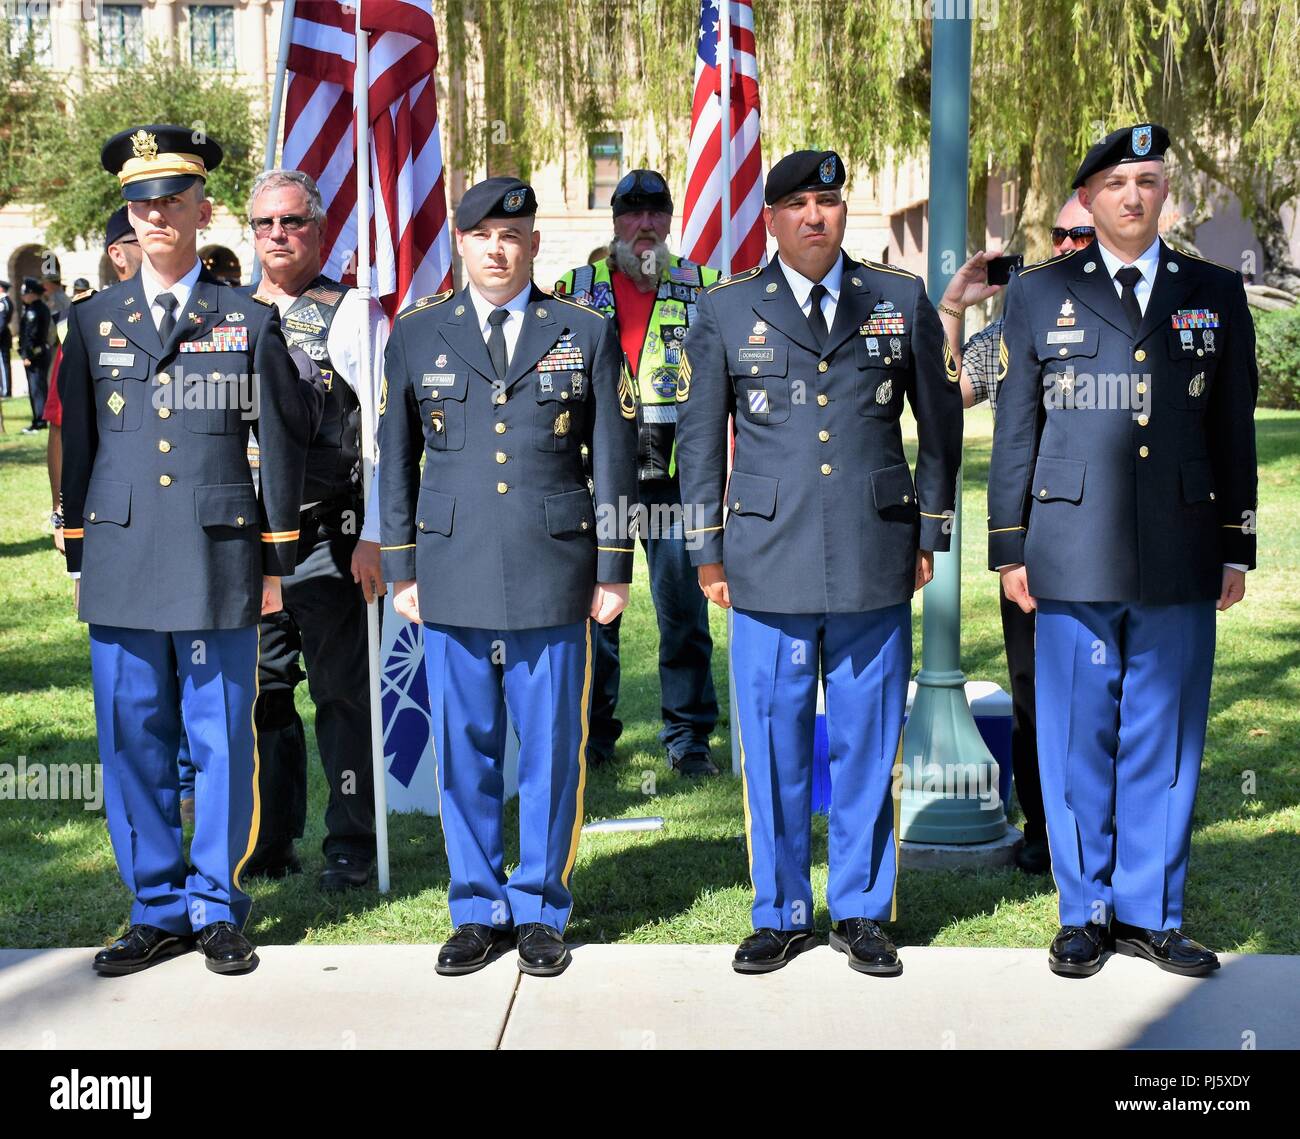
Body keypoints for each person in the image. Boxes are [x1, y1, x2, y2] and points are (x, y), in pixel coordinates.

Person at [675, 150, 963, 975]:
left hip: (877, 551)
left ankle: (865, 910)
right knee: (772, 742)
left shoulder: (895, 298)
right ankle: (781, 909)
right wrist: (707, 551)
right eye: (798, 203)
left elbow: (939, 429)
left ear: (844, 213)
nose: (814, 216)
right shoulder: (728, 310)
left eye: (828, 202)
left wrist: (929, 532)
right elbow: (700, 443)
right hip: (764, 557)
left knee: (868, 742)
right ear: (770, 218)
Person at [987, 123, 1257, 978]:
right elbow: (1016, 429)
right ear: (1089, 200)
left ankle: (1152, 912)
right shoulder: (1037, 293)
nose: (1133, 196)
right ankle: (1085, 910)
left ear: (1164, 190)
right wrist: (1009, 548)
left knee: (1163, 734)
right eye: (1116, 183)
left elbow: (1233, 426)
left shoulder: (1213, 289)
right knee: (1078, 733)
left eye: (1148, 179)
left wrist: (1236, 544)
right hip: (1070, 546)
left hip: (1181, 545)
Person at [59, 124, 310, 976]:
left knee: (218, 736)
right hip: (125, 556)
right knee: (131, 735)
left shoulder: (245, 320)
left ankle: (217, 903)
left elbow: (279, 443)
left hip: (217, 557)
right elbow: (82, 444)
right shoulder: (91, 323)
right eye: (141, 203)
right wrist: (77, 549)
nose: (156, 215)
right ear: (127, 217)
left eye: (172, 200)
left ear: (204, 211)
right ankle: (155, 907)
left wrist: (277, 562)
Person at [379, 176, 638, 977]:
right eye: (483, 234)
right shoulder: (419, 334)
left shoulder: (582, 330)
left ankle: (541, 905)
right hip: (451, 566)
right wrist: (400, 567)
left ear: (534, 245)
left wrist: (614, 567)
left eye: (512, 234)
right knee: (465, 746)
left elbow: (615, 461)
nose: (497, 247)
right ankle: (475, 905)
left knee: (554, 747)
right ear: (461, 243)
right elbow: (396, 458)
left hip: (554, 566)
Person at [934, 192, 1096, 877]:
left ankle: (1103, 825)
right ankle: (1043, 826)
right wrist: (953, 309)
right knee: (1033, 691)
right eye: (1057, 234)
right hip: (1030, 547)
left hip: (1114, 541)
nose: (1064, 246)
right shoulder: (1012, 326)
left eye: (1078, 235)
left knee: (1108, 690)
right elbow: (943, 397)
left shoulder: (1139, 319)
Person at [237, 168, 387, 888]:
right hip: (249, 545)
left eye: (292, 222)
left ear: (320, 228)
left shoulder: (352, 314)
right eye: (264, 223)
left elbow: (387, 431)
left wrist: (376, 532)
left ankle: (351, 837)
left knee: (341, 693)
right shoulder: (226, 315)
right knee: (264, 693)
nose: (277, 235)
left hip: (330, 535)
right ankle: (270, 838)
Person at [555, 169, 721, 776]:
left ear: (670, 220)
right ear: (616, 221)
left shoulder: (704, 287)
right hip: (598, 478)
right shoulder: (575, 289)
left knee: (683, 611)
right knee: (596, 613)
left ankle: (688, 737)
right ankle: (593, 735)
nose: (645, 224)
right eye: (633, 213)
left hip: (677, 479)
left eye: (656, 212)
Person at [19, 277, 51, 433]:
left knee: (36, 389)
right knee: (40, 388)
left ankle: (39, 420)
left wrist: (27, 355)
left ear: (31, 293)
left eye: (25, 293)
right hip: (41, 353)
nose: (23, 297)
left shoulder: (32, 311)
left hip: (34, 356)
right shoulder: (41, 308)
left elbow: (30, 335)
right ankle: (41, 418)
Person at [0, 280, 12, 400]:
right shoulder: (5, 301)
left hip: (2, 339)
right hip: (4, 338)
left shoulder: (3, 303)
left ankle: (5, 390)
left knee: (3, 366)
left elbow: (1, 323)